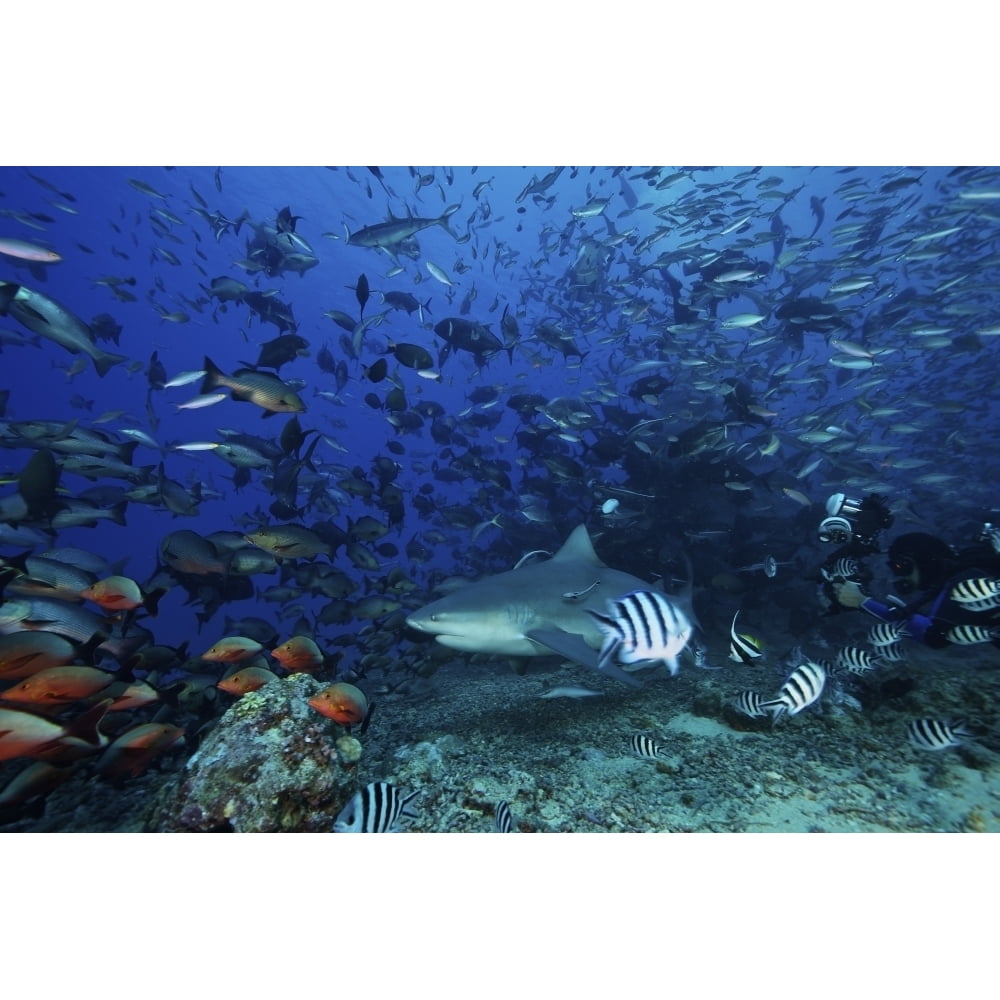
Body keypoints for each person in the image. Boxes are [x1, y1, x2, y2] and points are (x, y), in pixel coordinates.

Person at [832, 528, 1000, 648]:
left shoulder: (966, 580)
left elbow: (933, 635)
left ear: (925, 562)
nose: (901, 576)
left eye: (903, 567)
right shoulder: (971, 567)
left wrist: (863, 602)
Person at [815, 492, 894, 614]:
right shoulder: (867, 530)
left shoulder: (867, 533)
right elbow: (854, 547)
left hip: (875, 558)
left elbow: (858, 550)